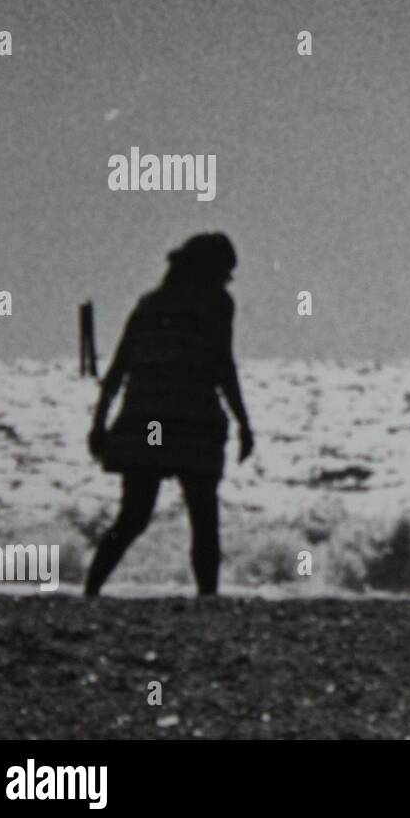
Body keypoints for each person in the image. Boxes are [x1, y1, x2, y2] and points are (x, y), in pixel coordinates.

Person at [84, 232, 253, 596]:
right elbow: (223, 365)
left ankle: (91, 589)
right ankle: (208, 596)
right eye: (225, 270)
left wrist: (99, 422)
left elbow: (118, 368)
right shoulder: (217, 303)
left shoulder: (148, 305)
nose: (228, 278)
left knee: (133, 516)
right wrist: (243, 422)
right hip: (191, 422)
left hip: (146, 423)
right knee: (203, 516)